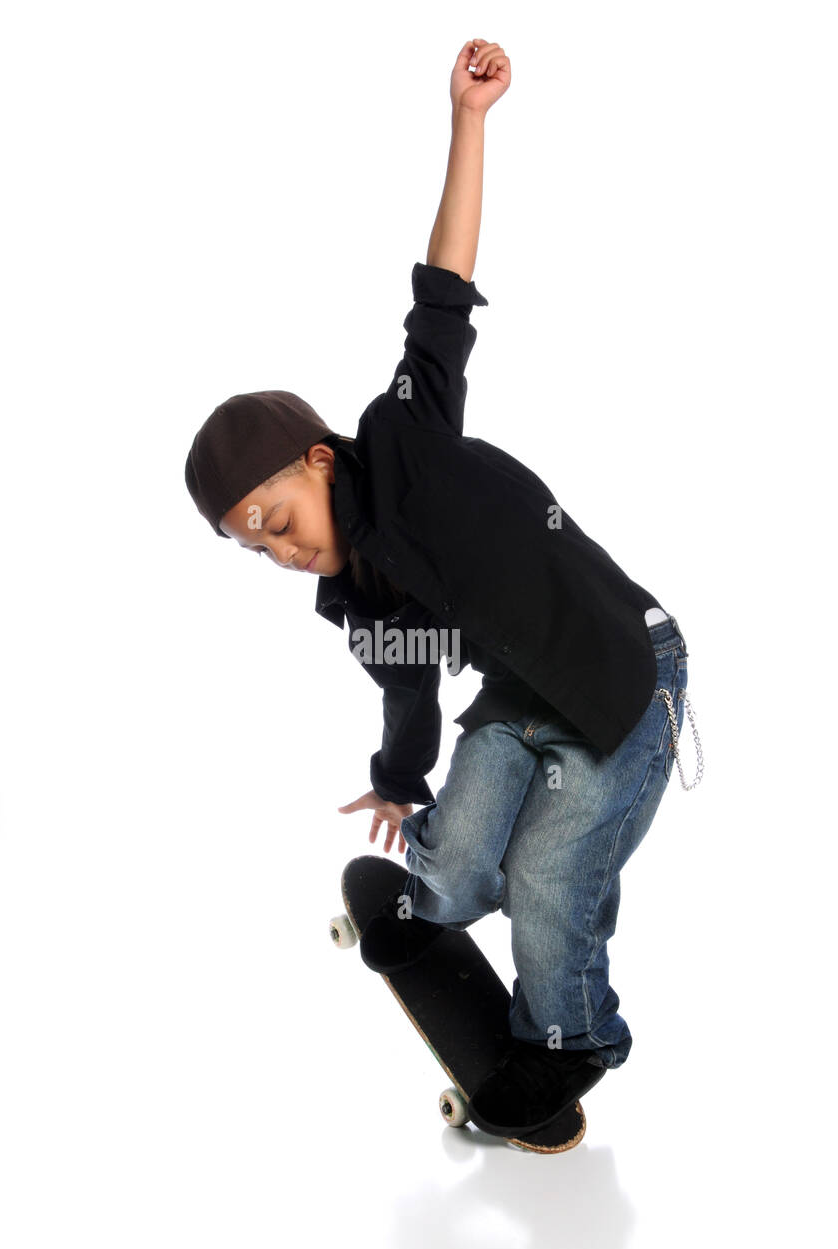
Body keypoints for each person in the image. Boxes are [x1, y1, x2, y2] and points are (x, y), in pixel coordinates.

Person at [184, 38, 703, 1140]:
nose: (280, 551)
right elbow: (411, 689)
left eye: (276, 521)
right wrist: (391, 777)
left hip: (619, 671)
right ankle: (436, 895)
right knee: (460, 857)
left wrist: (467, 122)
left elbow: (440, 299)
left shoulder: (402, 440)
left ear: (319, 460)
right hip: (522, 687)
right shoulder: (356, 603)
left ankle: (566, 1044)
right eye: (254, 549)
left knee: (549, 875)